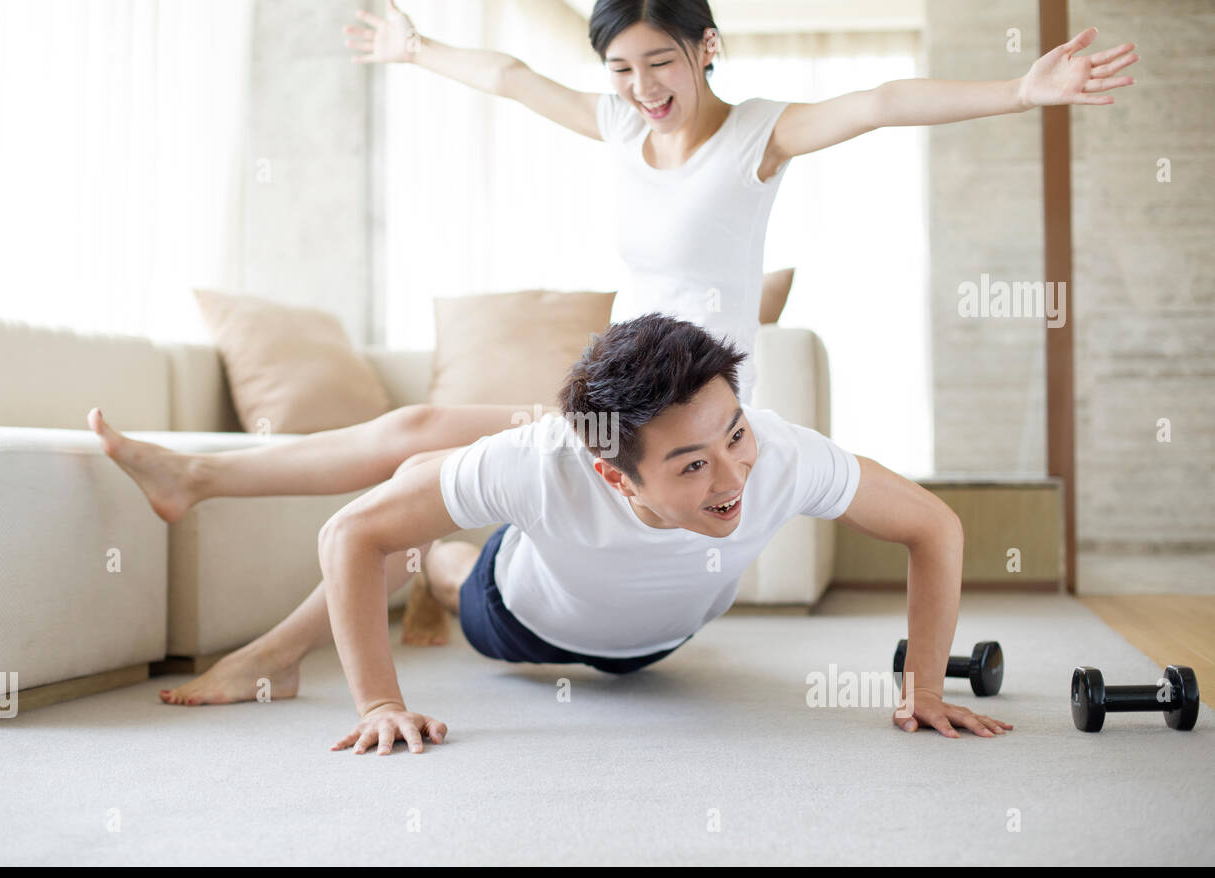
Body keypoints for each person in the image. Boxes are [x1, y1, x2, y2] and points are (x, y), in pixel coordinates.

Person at [89, 0, 1136, 702]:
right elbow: (505, 76)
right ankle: (212, 493)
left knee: (419, 463)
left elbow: (880, 105)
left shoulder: (757, 135)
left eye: (661, 64)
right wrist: (414, 51)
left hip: (697, 408)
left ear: (707, 46)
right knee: (416, 442)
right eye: (623, 68)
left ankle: (291, 598)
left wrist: (1019, 93)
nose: (642, 88)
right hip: (617, 398)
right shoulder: (621, 127)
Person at [310, 313, 1013, 752]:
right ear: (618, 477)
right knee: (457, 568)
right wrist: (379, 705)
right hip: (522, 620)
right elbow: (349, 534)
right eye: (694, 465)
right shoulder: (540, 461)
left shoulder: (783, 453)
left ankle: (435, 493)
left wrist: (922, 687)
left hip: (659, 641)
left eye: (735, 435)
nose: (734, 477)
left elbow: (934, 526)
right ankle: (437, 562)